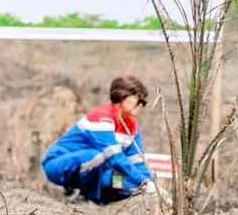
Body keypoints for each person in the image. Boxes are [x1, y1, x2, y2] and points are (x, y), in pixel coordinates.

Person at [40, 76, 155, 205]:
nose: (141, 104)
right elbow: (114, 156)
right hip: (58, 165)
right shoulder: (101, 116)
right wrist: (143, 181)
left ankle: (97, 200)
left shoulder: (132, 126)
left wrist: (150, 182)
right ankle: (84, 197)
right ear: (122, 96)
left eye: (143, 101)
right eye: (138, 99)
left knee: (129, 183)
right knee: (98, 156)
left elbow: (137, 160)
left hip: (96, 169)